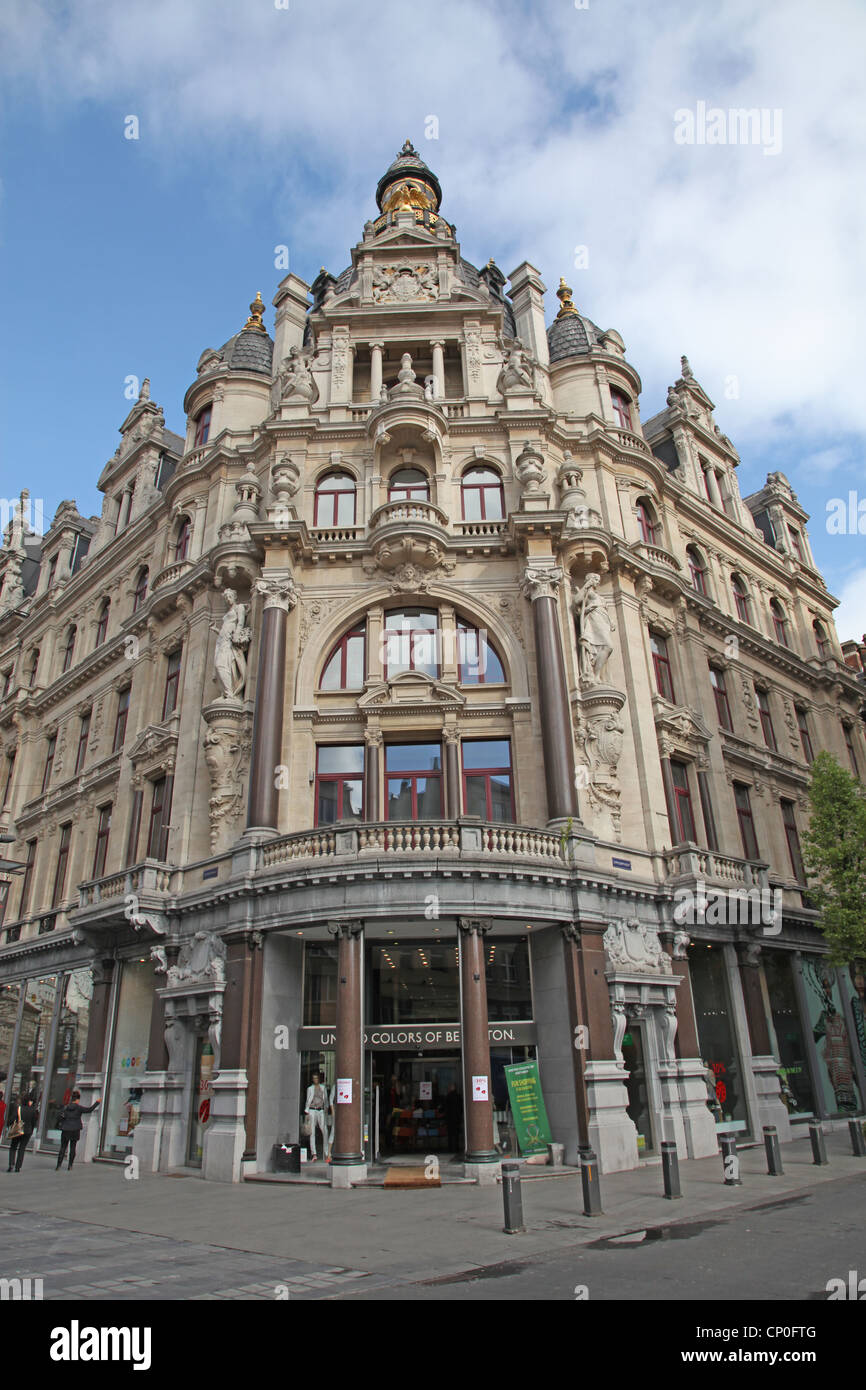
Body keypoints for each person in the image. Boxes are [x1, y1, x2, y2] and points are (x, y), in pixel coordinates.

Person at [55, 1090, 101, 1171]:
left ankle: (58, 1165)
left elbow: (59, 1116)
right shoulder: (79, 1108)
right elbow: (89, 1109)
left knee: (63, 1147)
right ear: (78, 1099)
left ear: (71, 1098)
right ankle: (70, 1165)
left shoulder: (66, 1107)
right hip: (75, 1129)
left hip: (65, 1129)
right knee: (73, 1147)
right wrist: (97, 1102)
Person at [7, 1094, 39, 1171]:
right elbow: (34, 1122)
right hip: (27, 1131)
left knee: (13, 1147)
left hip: (18, 1129)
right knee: (22, 1148)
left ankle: (11, 1164)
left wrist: (9, 1125)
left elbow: (12, 1118)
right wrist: (31, 1130)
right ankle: (18, 1167)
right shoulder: (32, 1110)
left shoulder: (18, 1108)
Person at [304, 1072, 328, 1162]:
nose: (315, 1080)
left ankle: (326, 1151)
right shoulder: (310, 1088)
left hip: (321, 1110)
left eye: (316, 1078)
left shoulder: (323, 1088)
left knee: (324, 1130)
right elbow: (308, 1100)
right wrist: (307, 1112)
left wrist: (326, 1109)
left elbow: (326, 1099)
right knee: (312, 1132)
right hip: (312, 1110)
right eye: (314, 1078)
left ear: (319, 1079)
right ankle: (314, 1153)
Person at [444, 1083, 462, 1153]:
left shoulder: (448, 1096)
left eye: (450, 1087)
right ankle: (456, 1147)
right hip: (457, 1117)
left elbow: (446, 1107)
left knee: (450, 1134)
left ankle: (450, 1148)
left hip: (450, 1118)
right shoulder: (458, 1096)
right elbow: (461, 1107)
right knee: (456, 1133)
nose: (448, 1088)